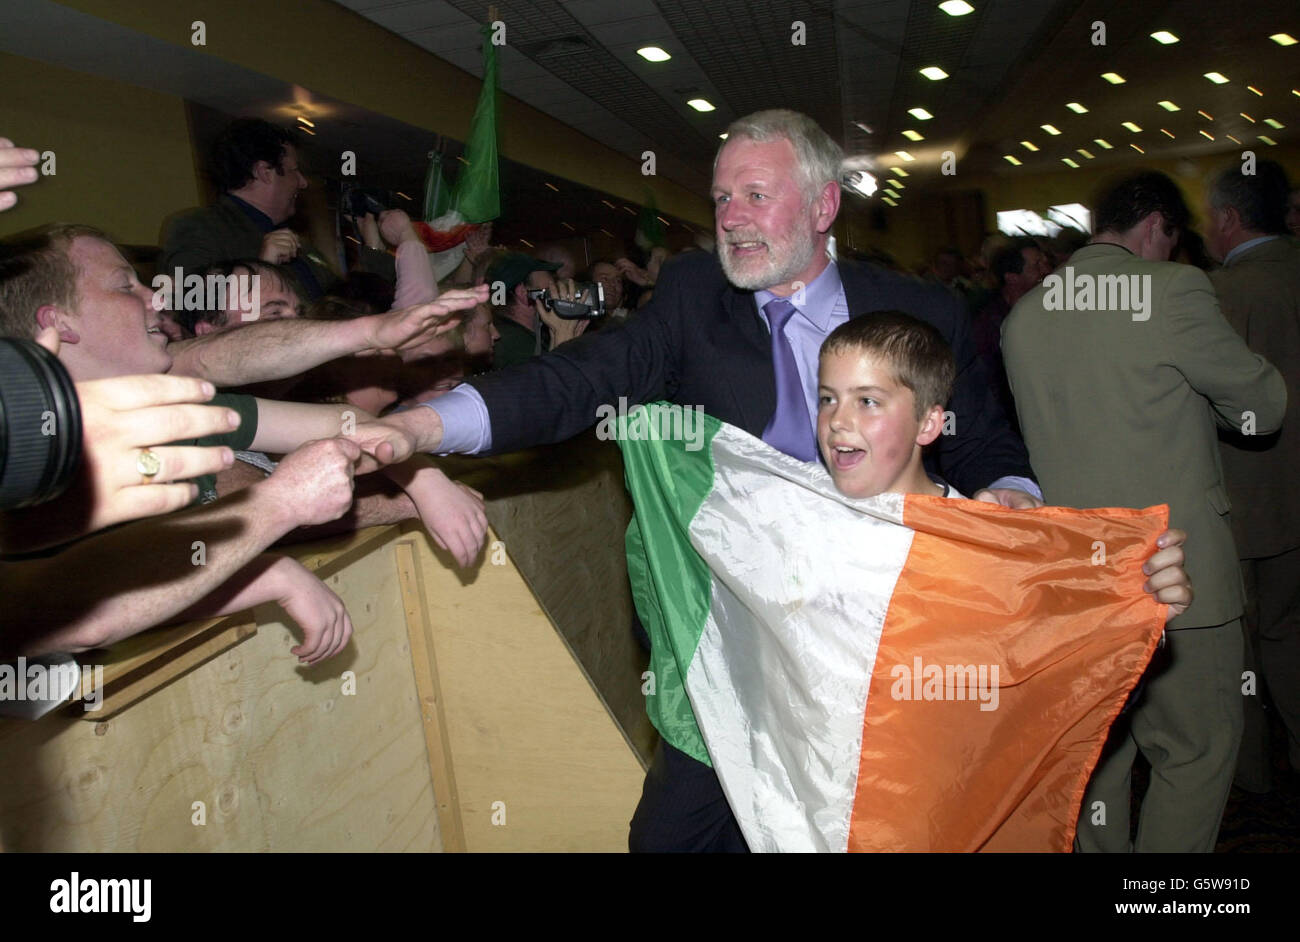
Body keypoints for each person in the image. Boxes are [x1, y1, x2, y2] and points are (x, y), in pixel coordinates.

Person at [348, 109, 1192, 852]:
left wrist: (1013, 511)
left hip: (881, 649)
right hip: (741, 651)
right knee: (669, 839)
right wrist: (425, 427)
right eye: (720, 199)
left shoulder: (918, 312)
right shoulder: (689, 298)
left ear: (823, 206)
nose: (731, 220)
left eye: (756, 196)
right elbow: (578, 382)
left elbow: (981, 447)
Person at [1002, 170, 1288, 853]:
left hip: (1079, 582)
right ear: (1157, 226)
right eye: (1173, 238)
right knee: (1194, 751)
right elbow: (1264, 407)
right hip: (1176, 573)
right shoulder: (1175, 290)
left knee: (1099, 761)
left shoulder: (1025, 316)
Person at [1204, 158, 1300, 789]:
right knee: (1291, 632)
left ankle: (1253, 775)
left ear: (1231, 218)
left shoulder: (1218, 293)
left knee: (1237, 646)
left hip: (1245, 493)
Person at [159, 118, 392, 299]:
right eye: (293, 171)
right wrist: (264, 267)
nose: (303, 182)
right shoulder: (199, 226)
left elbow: (344, 307)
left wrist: (374, 247)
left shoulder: (300, 243)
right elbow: (188, 304)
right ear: (264, 172)